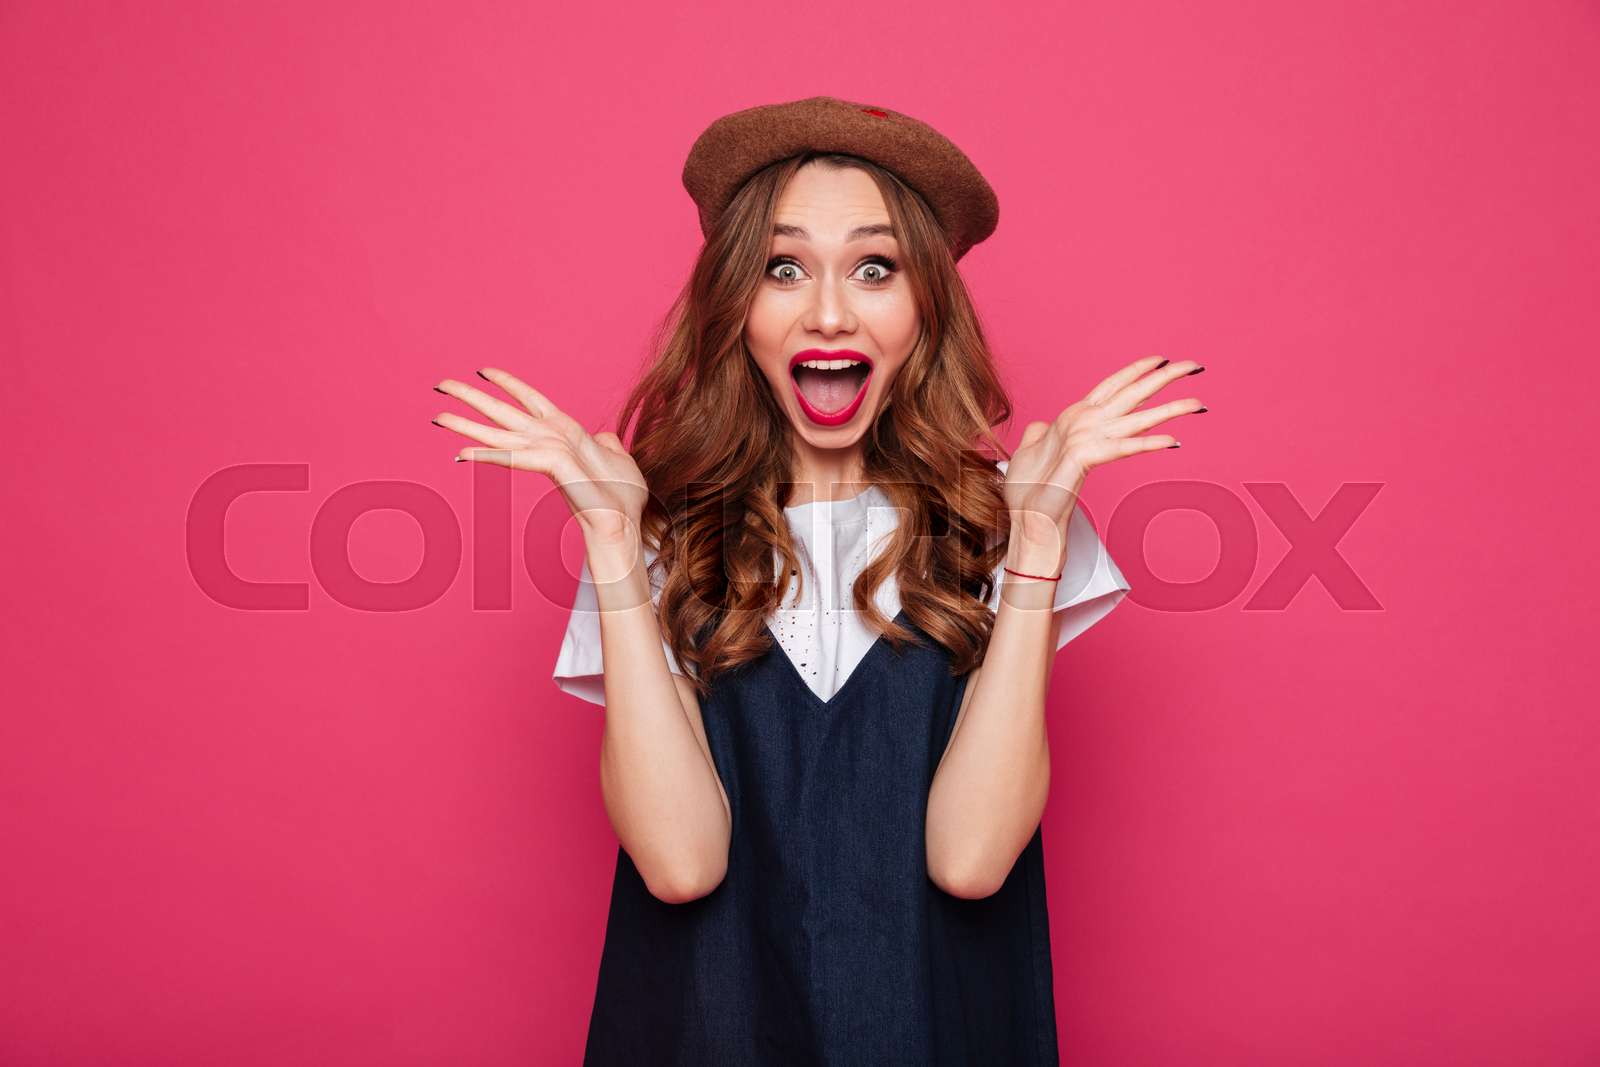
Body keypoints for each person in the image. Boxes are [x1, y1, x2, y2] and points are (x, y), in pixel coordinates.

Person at [430, 95, 1208, 1065]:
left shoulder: (1011, 515)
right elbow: (679, 863)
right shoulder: (656, 526)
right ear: (735, 306)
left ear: (924, 305)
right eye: (781, 268)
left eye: (874, 268)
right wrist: (612, 542)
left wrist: (1038, 543)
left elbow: (970, 862)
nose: (829, 310)